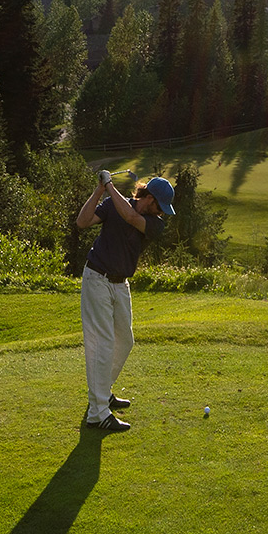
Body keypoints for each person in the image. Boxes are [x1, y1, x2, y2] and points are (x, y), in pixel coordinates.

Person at [74, 169, 174, 432]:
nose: (161, 213)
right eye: (159, 207)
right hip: (96, 278)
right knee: (102, 343)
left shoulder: (154, 224)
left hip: (120, 285)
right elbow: (82, 222)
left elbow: (129, 216)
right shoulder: (112, 203)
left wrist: (109, 185)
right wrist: (99, 190)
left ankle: (102, 393)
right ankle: (98, 413)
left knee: (125, 341)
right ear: (149, 198)